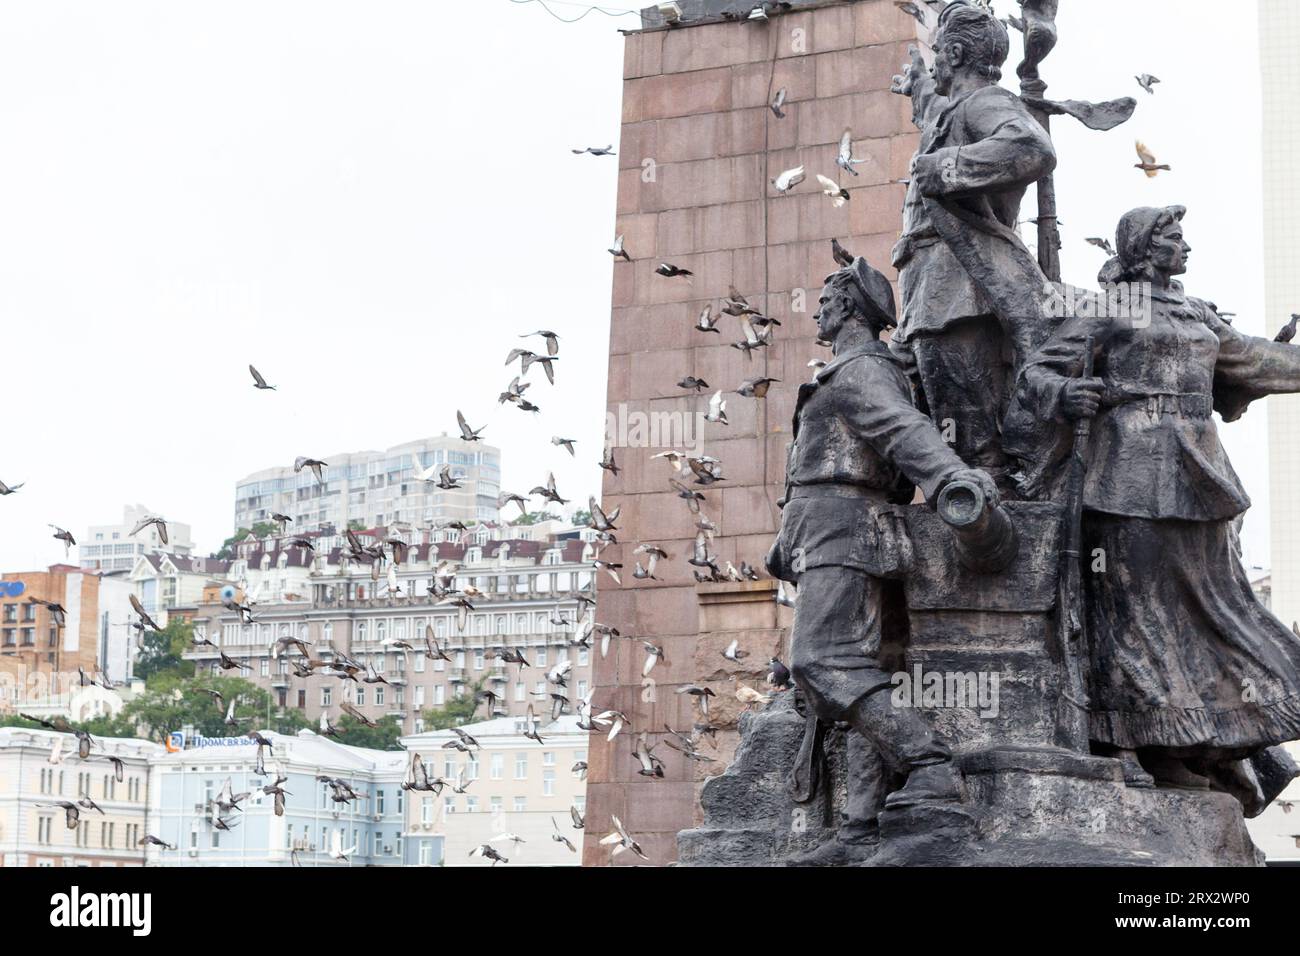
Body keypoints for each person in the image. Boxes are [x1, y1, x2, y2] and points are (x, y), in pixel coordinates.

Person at [1007, 205, 1300, 810]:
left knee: (1216, 609)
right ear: (1142, 248)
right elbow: (1036, 372)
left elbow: (1253, 359)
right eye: (1172, 237)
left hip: (1199, 479)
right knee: (1132, 614)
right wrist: (1066, 391)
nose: (1185, 246)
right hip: (1126, 478)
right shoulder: (1110, 308)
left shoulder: (1195, 313)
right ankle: (1123, 740)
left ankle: (1194, 741)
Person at [766, 254, 996, 863]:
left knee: (820, 660)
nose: (815, 308)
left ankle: (928, 764)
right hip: (832, 527)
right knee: (862, 667)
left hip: (846, 529)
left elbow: (904, 433)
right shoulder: (850, 368)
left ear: (847, 307)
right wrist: (788, 537)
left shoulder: (863, 368)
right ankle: (859, 832)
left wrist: (952, 480)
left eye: (824, 298)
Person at [889, 1, 1057, 489]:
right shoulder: (955, 109)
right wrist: (919, 84)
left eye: (939, 51)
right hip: (933, 293)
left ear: (956, 52)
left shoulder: (987, 102)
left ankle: (992, 537)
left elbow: (1032, 148)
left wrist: (943, 169)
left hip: (961, 293)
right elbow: (937, 115)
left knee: (973, 444)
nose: (936, 58)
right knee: (949, 432)